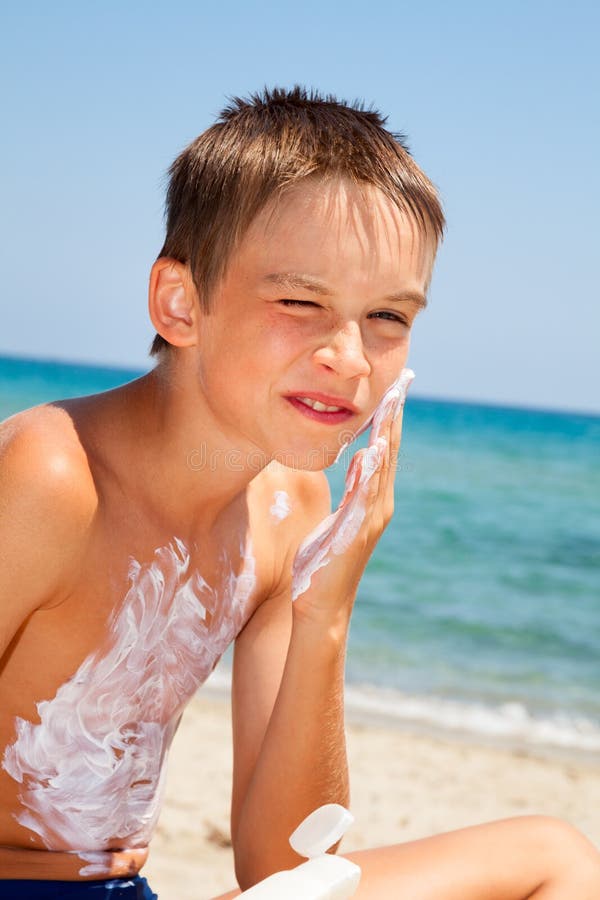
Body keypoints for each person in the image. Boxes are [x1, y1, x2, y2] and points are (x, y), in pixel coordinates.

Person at [0, 86, 598, 900]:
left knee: (553, 854)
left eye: (388, 314)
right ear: (181, 304)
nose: (349, 357)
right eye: (301, 302)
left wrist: (326, 609)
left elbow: (286, 866)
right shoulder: (50, 476)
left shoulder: (289, 513)